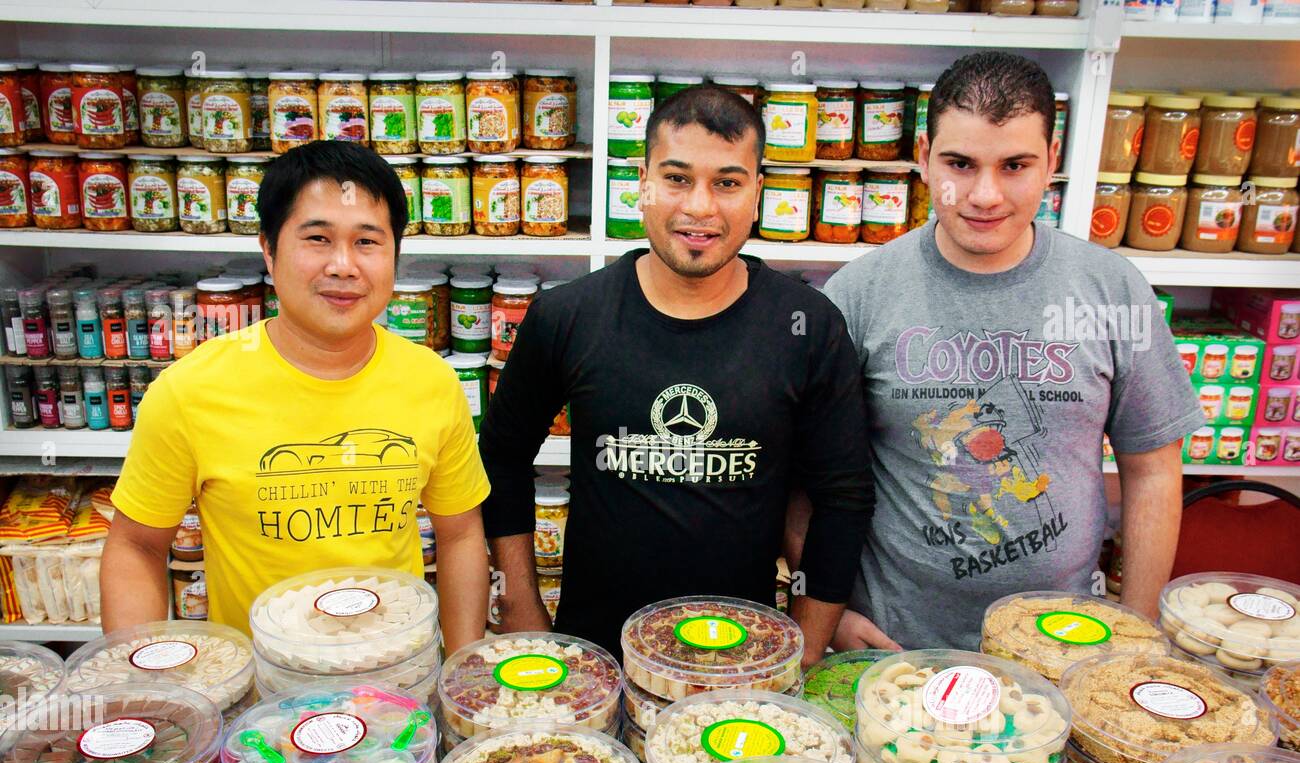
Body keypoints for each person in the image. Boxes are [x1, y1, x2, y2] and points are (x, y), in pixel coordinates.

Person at [820, 51, 1200, 652]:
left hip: (1066, 642)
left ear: (1052, 161)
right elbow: (809, 473)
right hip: (891, 643)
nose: (985, 194)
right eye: (960, 164)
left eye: (1015, 165)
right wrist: (827, 612)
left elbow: (1151, 467)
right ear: (923, 159)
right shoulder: (857, 293)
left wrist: (1137, 631)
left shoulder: (1112, 288)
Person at [479, 85, 872, 662]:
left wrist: (805, 645)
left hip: (744, 659)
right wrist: (519, 602)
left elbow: (843, 497)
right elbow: (501, 455)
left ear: (758, 192)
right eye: (678, 178)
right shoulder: (569, 314)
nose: (700, 208)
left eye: (728, 183)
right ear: (643, 182)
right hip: (594, 654)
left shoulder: (808, 324)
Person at [102, 140, 490, 651]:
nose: (343, 266)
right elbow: (137, 547)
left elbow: (460, 536)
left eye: (368, 242)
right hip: (260, 700)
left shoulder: (432, 382)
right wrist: (143, 682)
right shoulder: (190, 390)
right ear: (269, 248)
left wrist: (457, 670)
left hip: (396, 688)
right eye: (318, 239)